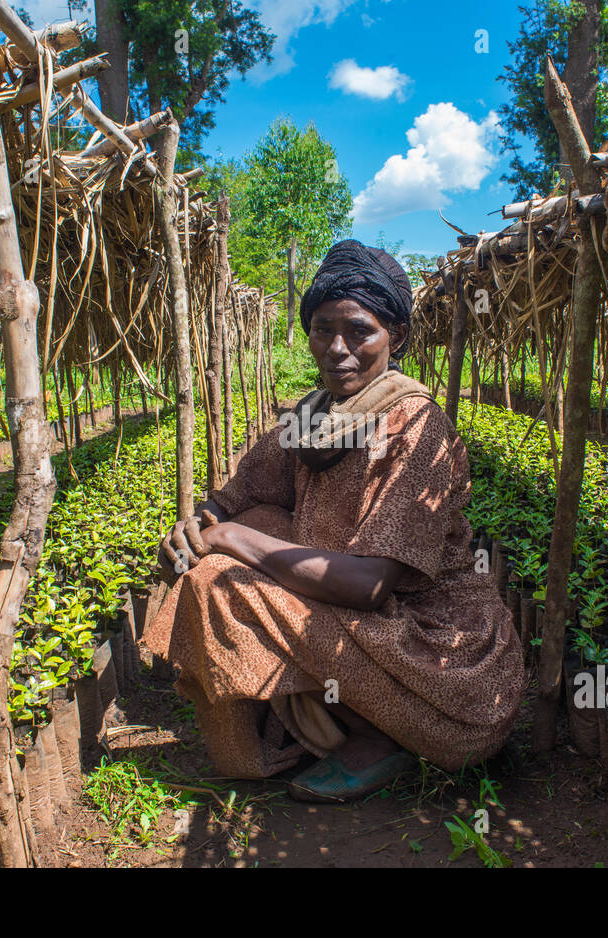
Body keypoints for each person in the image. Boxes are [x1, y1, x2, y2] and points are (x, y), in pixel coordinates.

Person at [142, 239, 524, 802]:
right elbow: (241, 493)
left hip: (439, 663)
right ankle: (326, 714)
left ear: (395, 336)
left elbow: (369, 585)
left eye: (359, 331)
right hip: (358, 622)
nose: (338, 348)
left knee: (219, 580)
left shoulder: (415, 424)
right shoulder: (314, 416)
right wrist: (202, 522)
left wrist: (229, 538)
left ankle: (377, 738)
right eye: (323, 329)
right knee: (259, 518)